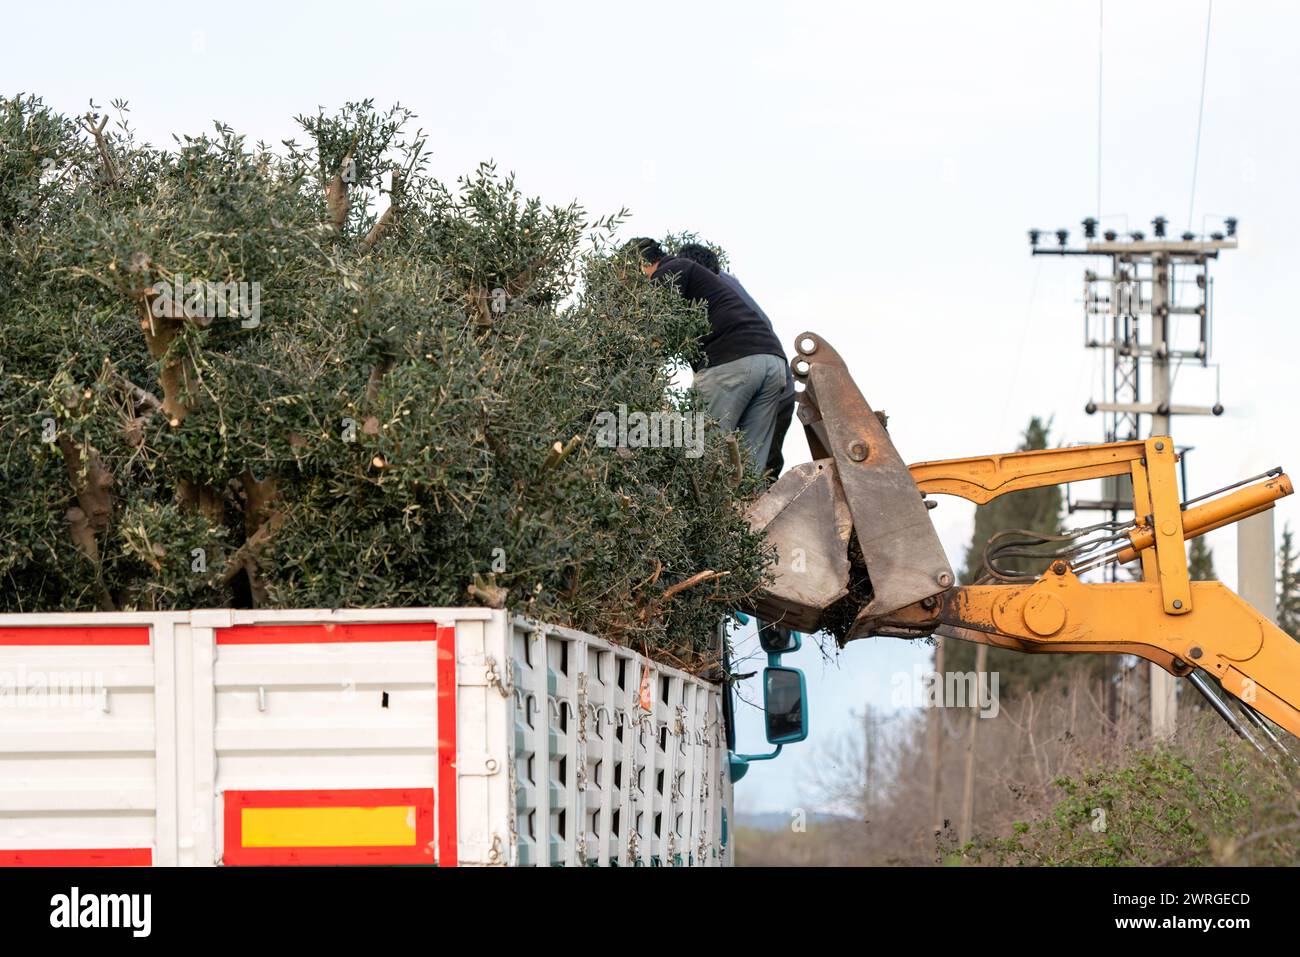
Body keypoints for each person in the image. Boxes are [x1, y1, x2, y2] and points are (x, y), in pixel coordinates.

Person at [624, 238, 787, 475]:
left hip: (731, 362)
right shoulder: (698, 275)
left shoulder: (668, 273)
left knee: (699, 452)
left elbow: (653, 334)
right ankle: (744, 510)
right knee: (749, 466)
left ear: (638, 264)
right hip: (772, 363)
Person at [675, 243, 796, 483]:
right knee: (752, 474)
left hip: (735, 368)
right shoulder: (731, 287)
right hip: (778, 377)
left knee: (698, 452)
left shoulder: (695, 284)